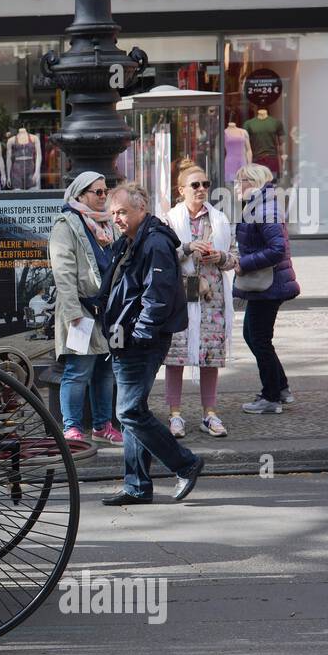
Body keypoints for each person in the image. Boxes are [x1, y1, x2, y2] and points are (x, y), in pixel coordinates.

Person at [97, 183, 204, 506]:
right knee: (135, 411)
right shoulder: (129, 240)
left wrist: (141, 334)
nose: (116, 218)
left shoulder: (154, 241)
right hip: (125, 336)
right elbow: (120, 287)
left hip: (139, 339)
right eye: (113, 212)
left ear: (141, 209)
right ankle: (137, 485)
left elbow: (157, 294)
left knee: (128, 411)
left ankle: (185, 463)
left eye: (122, 212)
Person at [163, 163, 236, 439]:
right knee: (177, 355)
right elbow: (162, 256)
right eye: (196, 185)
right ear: (181, 190)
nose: (202, 189)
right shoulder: (169, 220)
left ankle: (209, 413)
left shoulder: (219, 219)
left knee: (210, 356)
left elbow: (235, 259)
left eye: (206, 184)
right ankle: (175, 414)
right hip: (182, 293)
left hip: (212, 295)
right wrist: (187, 248)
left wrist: (220, 257)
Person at [49, 170, 122, 446]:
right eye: (98, 192)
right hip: (81, 310)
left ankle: (103, 425)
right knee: (78, 371)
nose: (104, 196)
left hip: (108, 312)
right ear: (80, 195)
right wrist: (73, 315)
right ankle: (71, 428)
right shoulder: (65, 225)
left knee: (106, 371)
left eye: (106, 191)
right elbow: (63, 274)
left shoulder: (109, 224)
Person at [233, 163, 301, 414]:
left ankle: (271, 397)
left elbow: (276, 248)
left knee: (258, 338)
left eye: (241, 182)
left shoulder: (265, 208)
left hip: (269, 285)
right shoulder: (259, 205)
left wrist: (243, 263)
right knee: (255, 336)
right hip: (266, 284)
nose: (236, 187)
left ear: (254, 183)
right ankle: (280, 387)